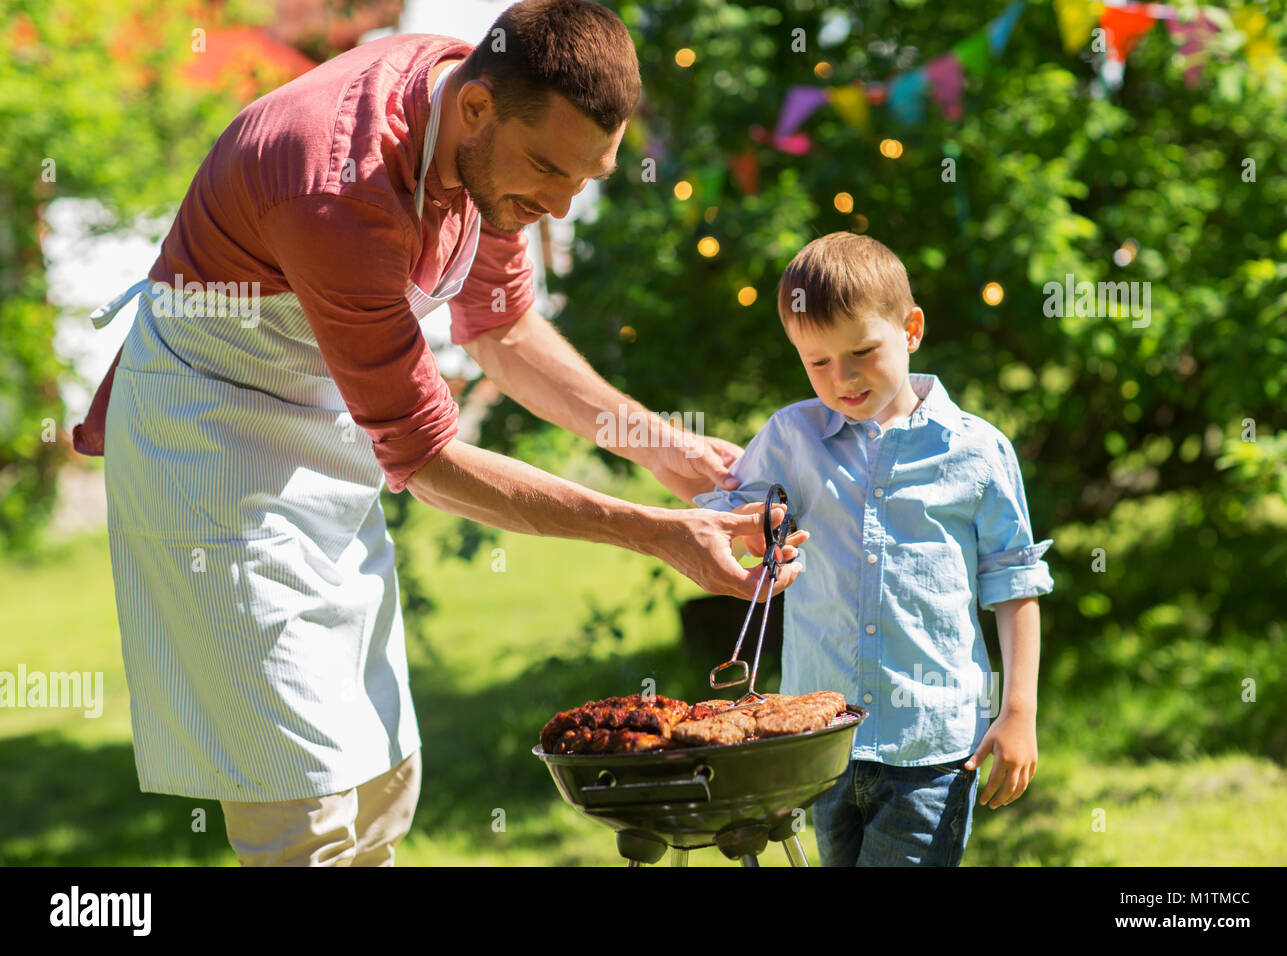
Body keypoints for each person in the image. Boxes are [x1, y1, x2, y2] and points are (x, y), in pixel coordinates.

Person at [69, 0, 802, 866]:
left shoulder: (484, 144)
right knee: (303, 811)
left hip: (330, 434)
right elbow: (426, 457)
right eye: (546, 171)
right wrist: (656, 533)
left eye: (585, 178)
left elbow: (502, 330)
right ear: (477, 108)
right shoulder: (337, 187)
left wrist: (664, 448)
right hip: (214, 446)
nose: (561, 206)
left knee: (383, 777)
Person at [694, 231, 1053, 866]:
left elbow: (1014, 582)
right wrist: (751, 529)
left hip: (933, 750)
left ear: (911, 329)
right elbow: (717, 525)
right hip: (819, 740)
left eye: (862, 351)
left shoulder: (977, 451)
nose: (843, 377)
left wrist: (1018, 710)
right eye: (817, 362)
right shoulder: (789, 438)